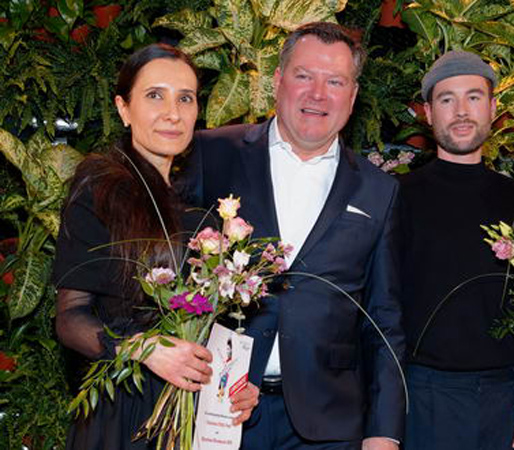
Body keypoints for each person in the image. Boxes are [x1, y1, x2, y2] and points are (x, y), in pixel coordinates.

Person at [185, 22, 405, 450]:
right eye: (304, 76)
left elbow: (385, 321)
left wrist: (384, 432)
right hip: (218, 409)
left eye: (335, 81)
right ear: (278, 81)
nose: (318, 94)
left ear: (353, 96)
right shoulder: (211, 155)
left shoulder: (380, 191)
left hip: (329, 425)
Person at [52, 43, 259, 449]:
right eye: (154, 96)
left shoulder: (197, 215)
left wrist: (230, 386)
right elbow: (69, 319)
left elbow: (205, 336)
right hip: (121, 415)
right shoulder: (100, 190)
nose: (172, 113)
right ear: (123, 108)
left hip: (187, 420)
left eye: (185, 98)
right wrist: (144, 348)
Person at [398, 51, 514, 450]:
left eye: (474, 97)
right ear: (428, 113)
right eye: (447, 100)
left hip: (506, 397)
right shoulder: (398, 197)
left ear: (494, 108)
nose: (461, 111)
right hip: (422, 395)